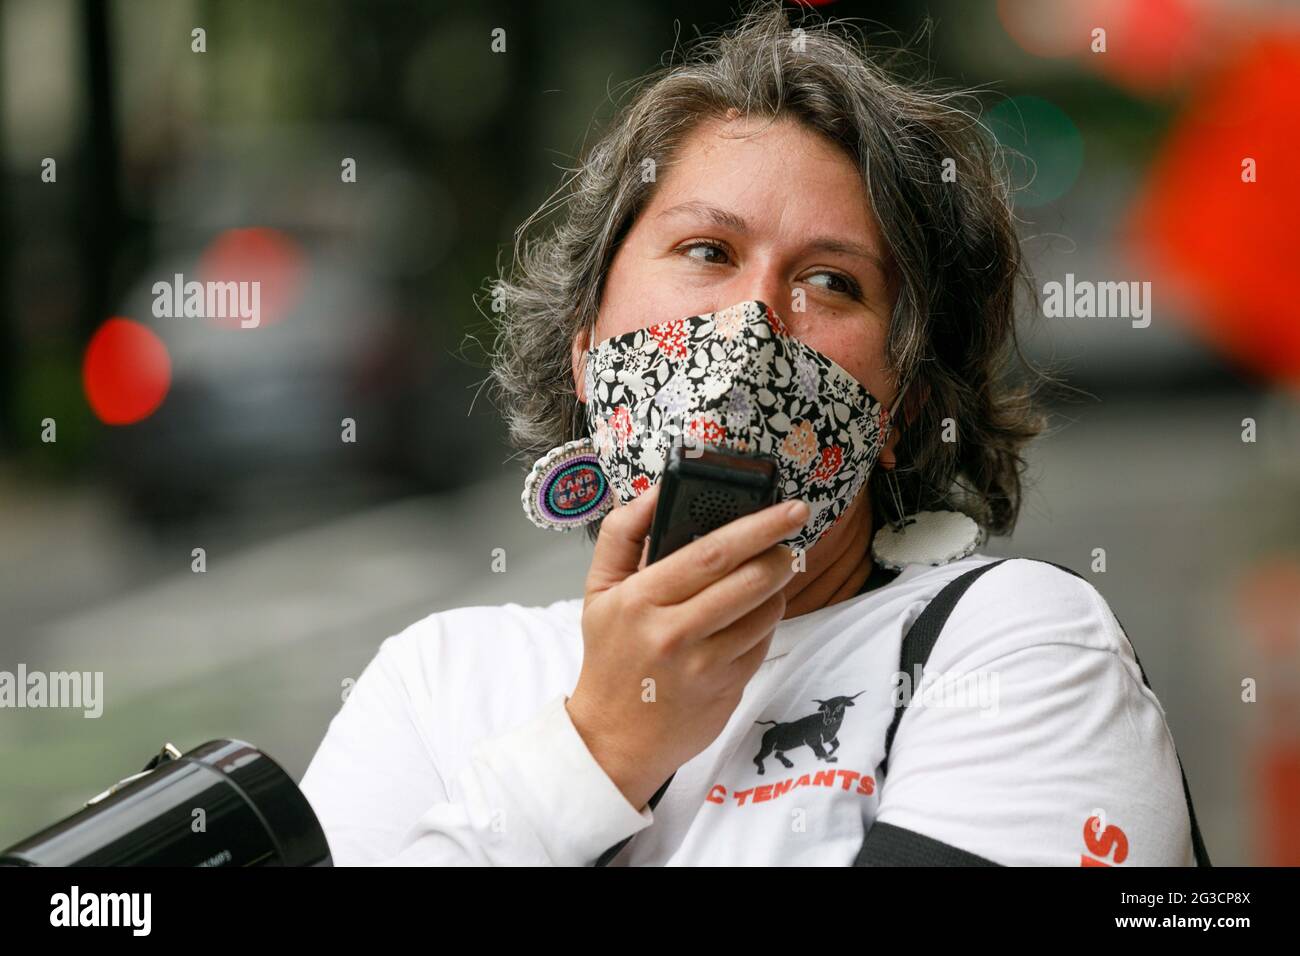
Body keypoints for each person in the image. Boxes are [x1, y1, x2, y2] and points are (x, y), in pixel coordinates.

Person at [298, 1, 1198, 866]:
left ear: (904, 411)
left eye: (833, 281)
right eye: (707, 252)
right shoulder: (438, 683)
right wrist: (597, 749)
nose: (756, 322)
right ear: (586, 349)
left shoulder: (1010, 649)